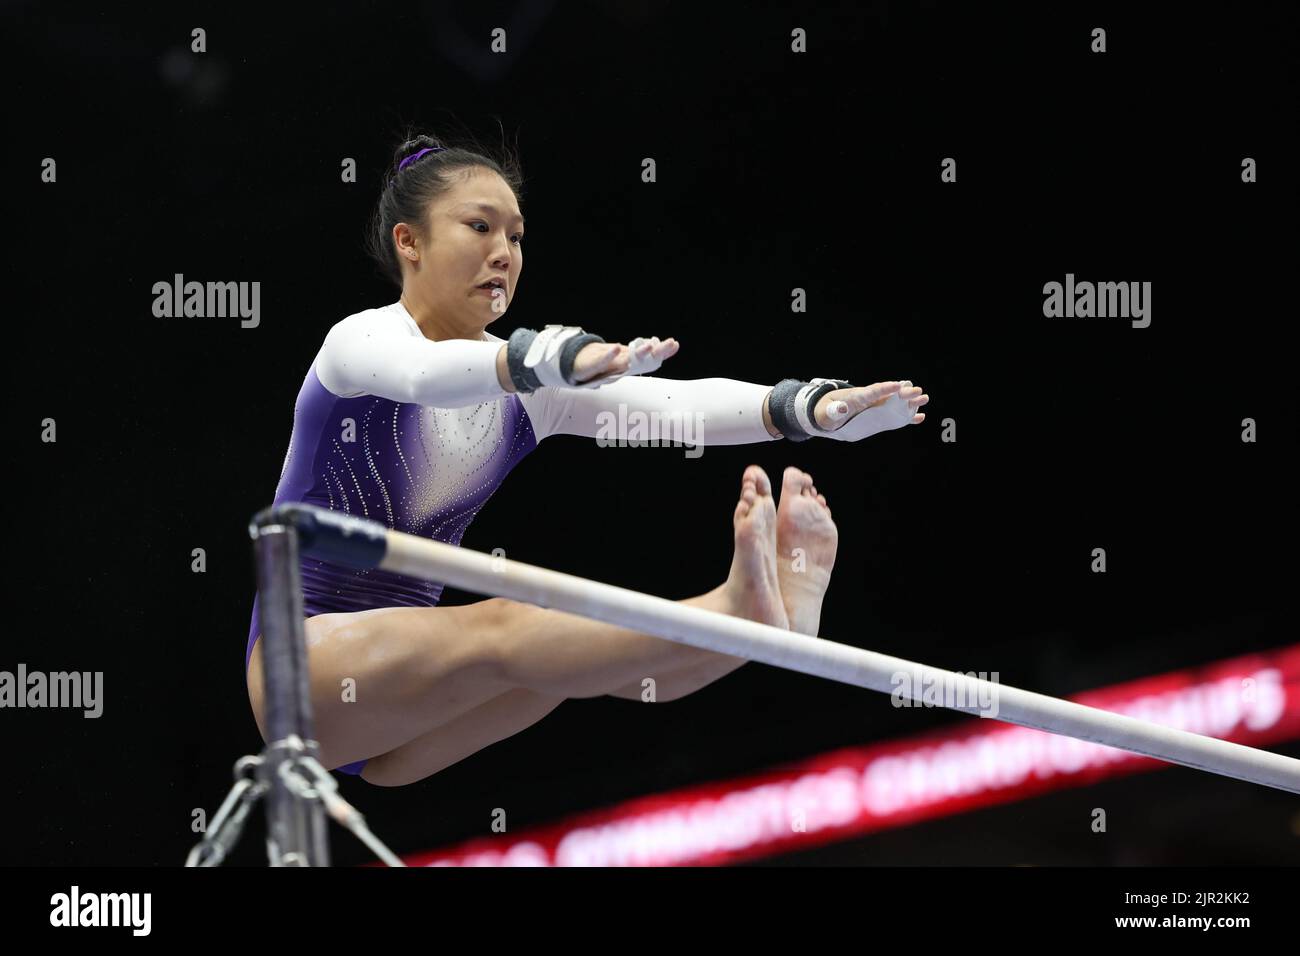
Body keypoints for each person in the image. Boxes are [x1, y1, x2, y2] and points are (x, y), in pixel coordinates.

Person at [245, 132, 929, 786]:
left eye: (515, 235)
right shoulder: (359, 343)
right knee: (514, 621)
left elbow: (672, 410)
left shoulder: (526, 394)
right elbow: (424, 376)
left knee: (570, 670)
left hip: (397, 731)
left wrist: (808, 411)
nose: (504, 251)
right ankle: (733, 605)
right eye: (480, 227)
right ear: (410, 242)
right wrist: (547, 357)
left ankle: (761, 630)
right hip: (303, 671)